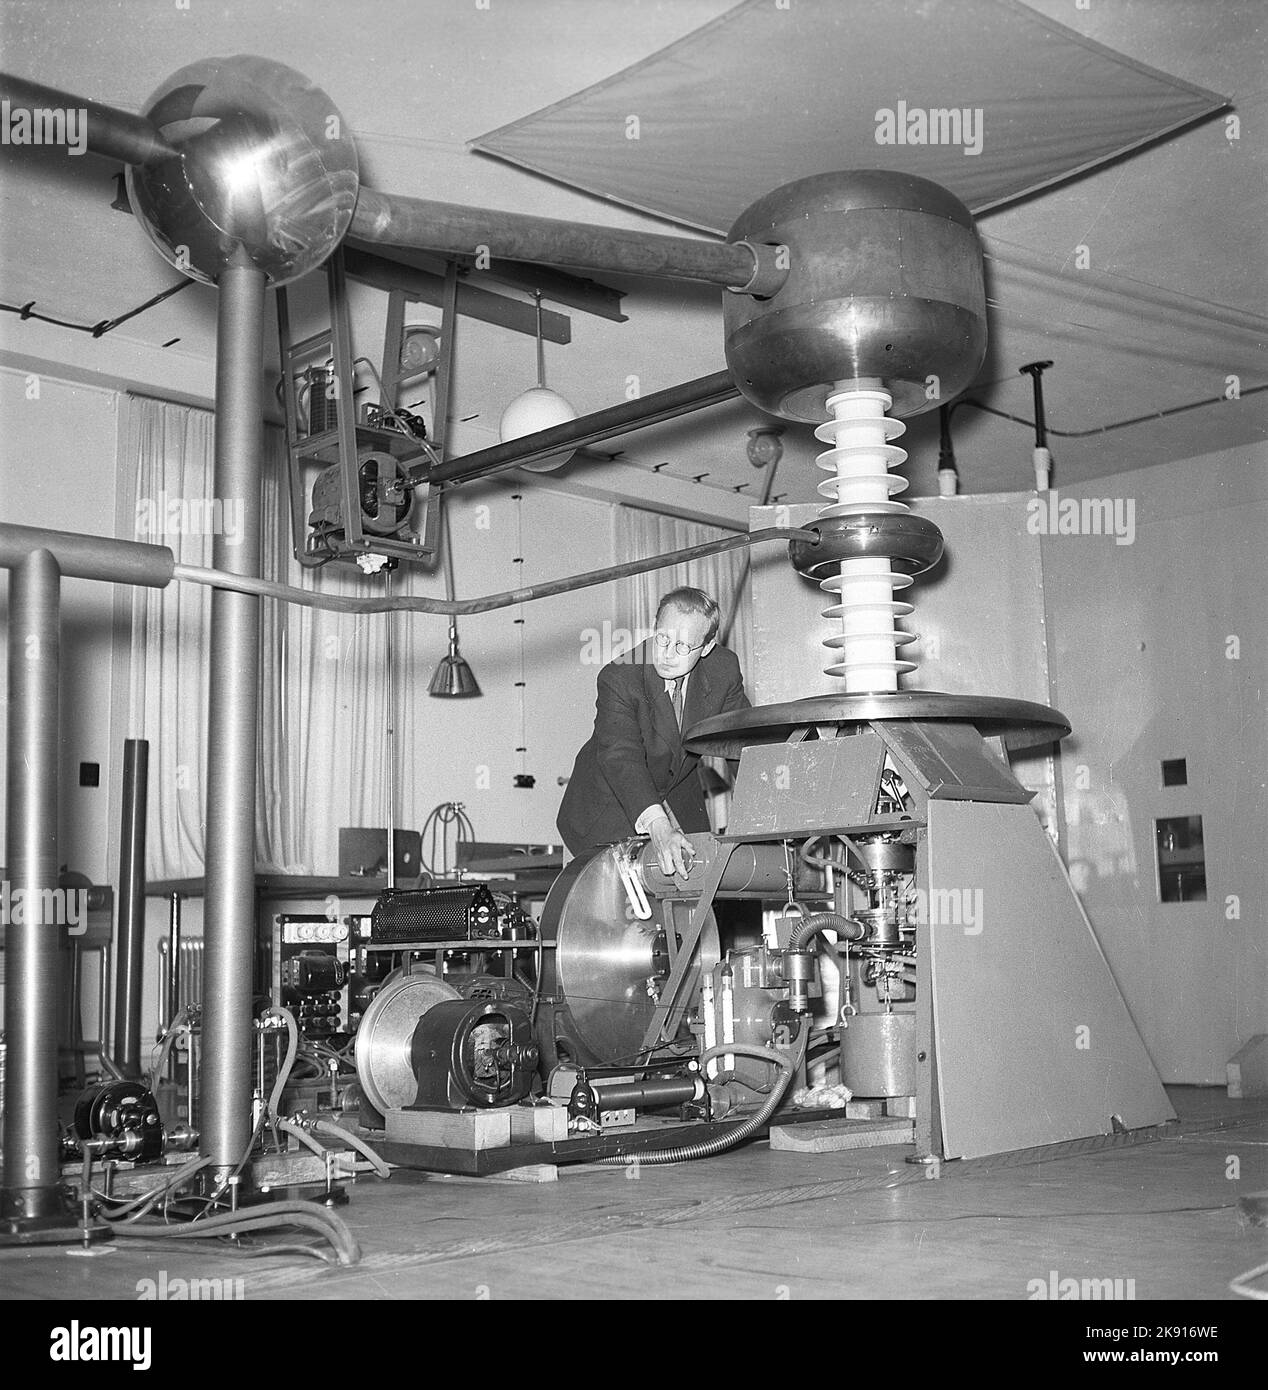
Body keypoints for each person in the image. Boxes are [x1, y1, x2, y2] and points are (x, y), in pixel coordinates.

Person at [557, 586, 750, 876]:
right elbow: (622, 757)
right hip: (609, 801)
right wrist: (659, 827)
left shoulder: (724, 668)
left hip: (676, 794)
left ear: (707, 648)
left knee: (696, 892)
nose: (668, 655)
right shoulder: (619, 677)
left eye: (683, 646)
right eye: (662, 638)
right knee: (617, 912)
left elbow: (739, 743)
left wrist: (769, 812)